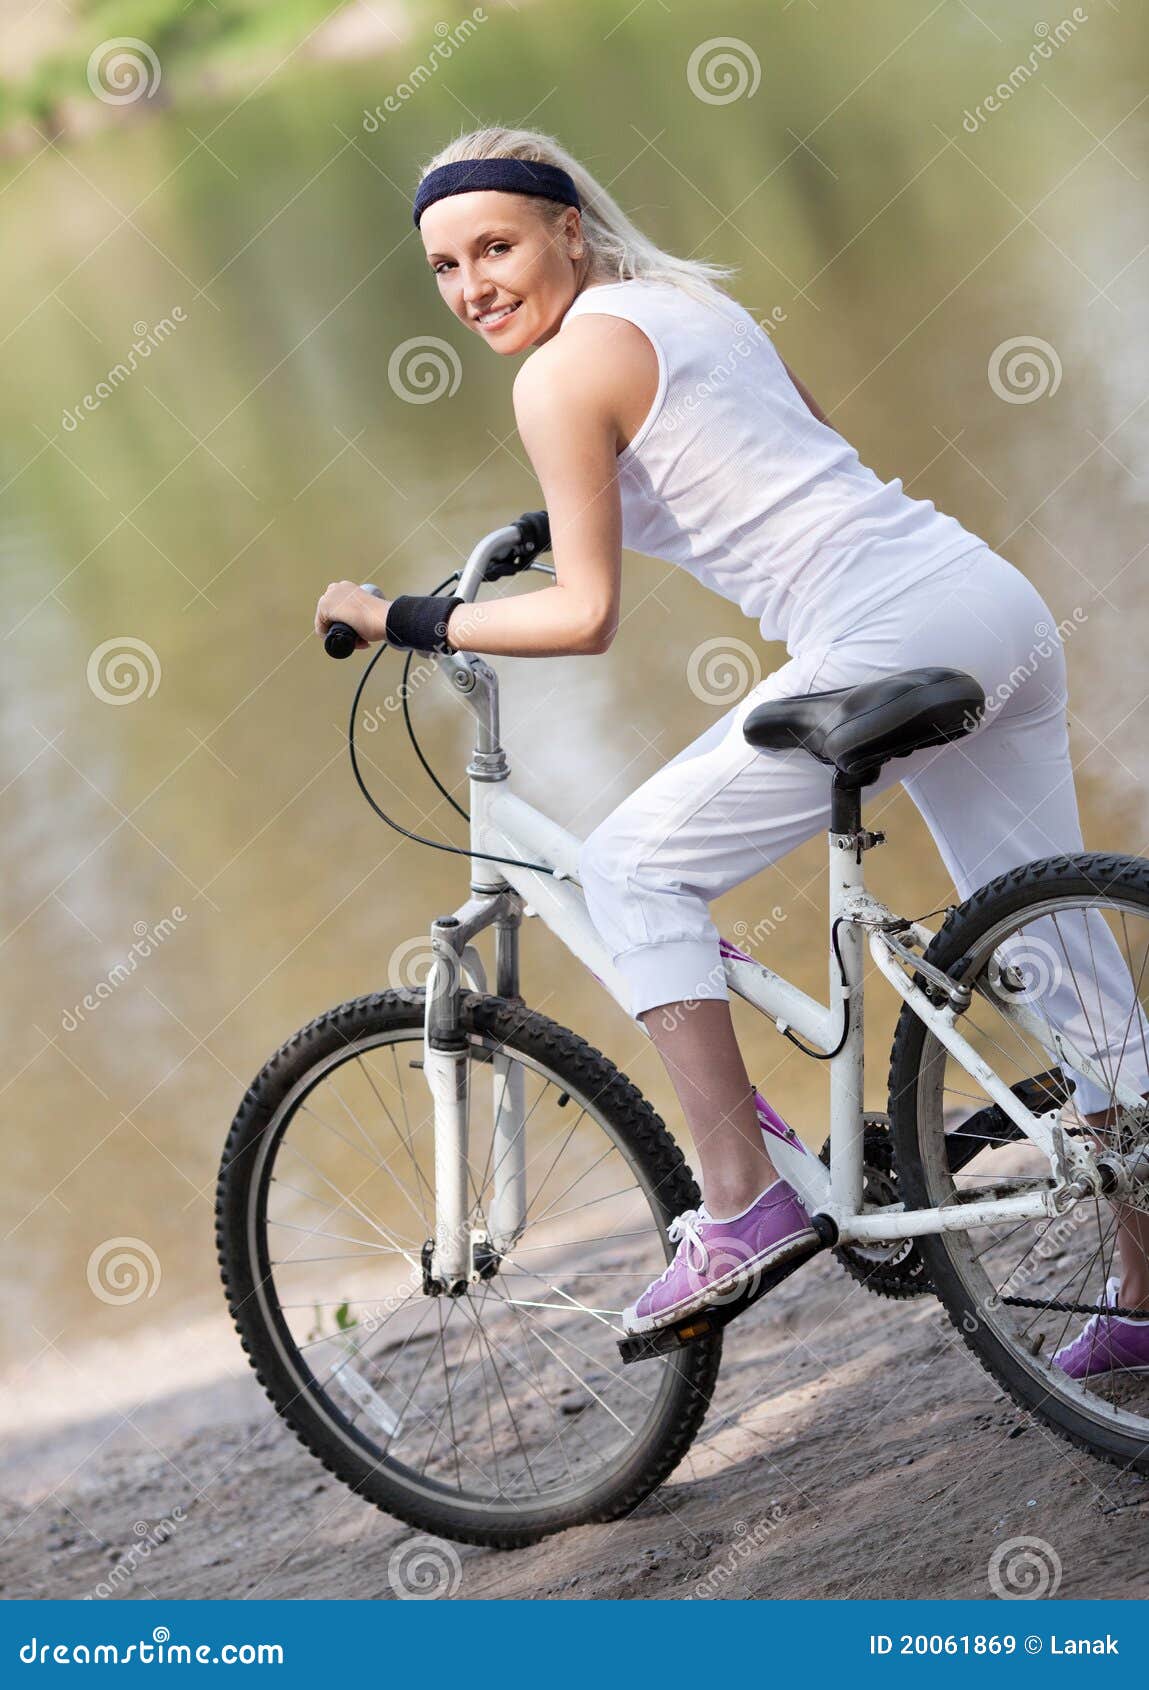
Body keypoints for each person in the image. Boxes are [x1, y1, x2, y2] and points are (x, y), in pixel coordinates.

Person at [315, 125, 1149, 1373]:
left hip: (875, 633)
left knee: (630, 872)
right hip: (986, 602)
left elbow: (585, 616)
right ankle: (1146, 1287)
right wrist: (585, 487)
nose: (473, 285)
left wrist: (401, 617)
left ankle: (741, 1201)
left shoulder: (553, 380)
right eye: (443, 266)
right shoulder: (688, 307)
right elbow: (791, 446)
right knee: (1061, 958)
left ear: (567, 230)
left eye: (495, 246)